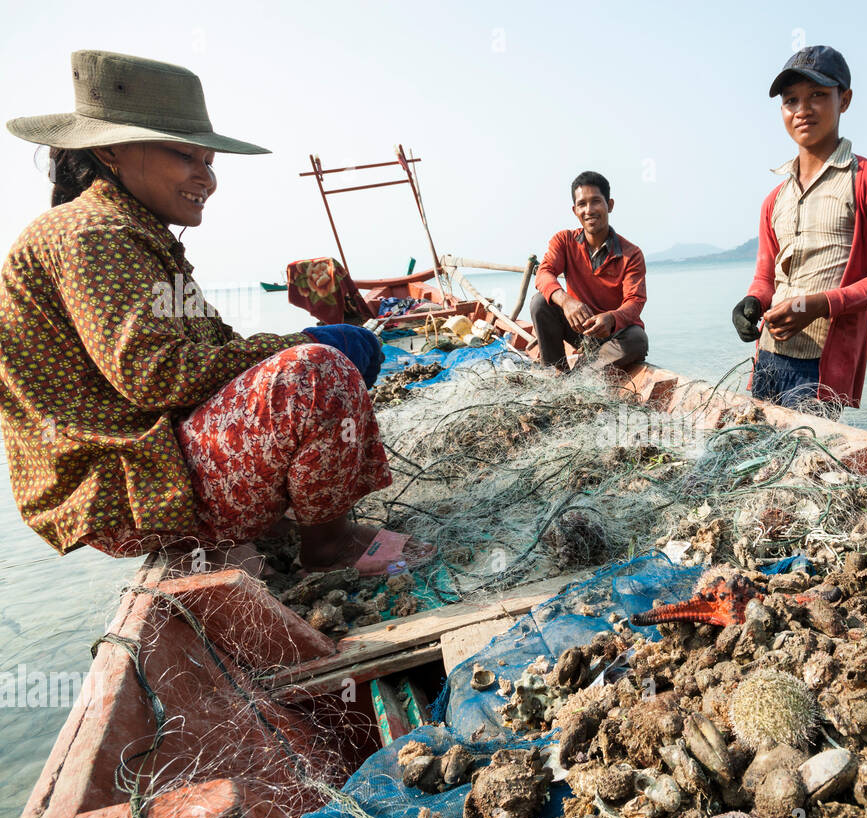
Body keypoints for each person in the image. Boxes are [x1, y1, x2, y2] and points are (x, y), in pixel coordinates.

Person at [0, 50, 425, 574]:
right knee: (316, 375)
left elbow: (214, 343)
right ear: (111, 148)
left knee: (311, 362)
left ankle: (282, 522)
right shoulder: (95, 234)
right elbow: (156, 376)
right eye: (187, 157)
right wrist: (310, 346)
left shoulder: (133, 230)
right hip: (128, 487)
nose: (207, 179)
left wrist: (298, 343)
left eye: (209, 163)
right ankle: (329, 547)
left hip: (153, 463)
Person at [732, 45, 867, 415]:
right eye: (791, 100)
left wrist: (821, 305)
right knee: (756, 461)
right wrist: (751, 302)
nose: (802, 110)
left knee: (803, 468)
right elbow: (766, 277)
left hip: (820, 366)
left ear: (844, 100)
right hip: (768, 357)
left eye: (817, 95)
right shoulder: (775, 197)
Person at [531, 171, 648, 372]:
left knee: (637, 339)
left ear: (609, 205)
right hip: (580, 329)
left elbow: (635, 302)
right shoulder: (564, 241)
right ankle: (555, 372)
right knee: (540, 302)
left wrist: (611, 318)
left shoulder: (632, 254)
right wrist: (566, 301)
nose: (589, 210)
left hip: (613, 335)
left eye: (595, 202)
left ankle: (578, 377)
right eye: (582, 204)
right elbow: (544, 273)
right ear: (575, 210)